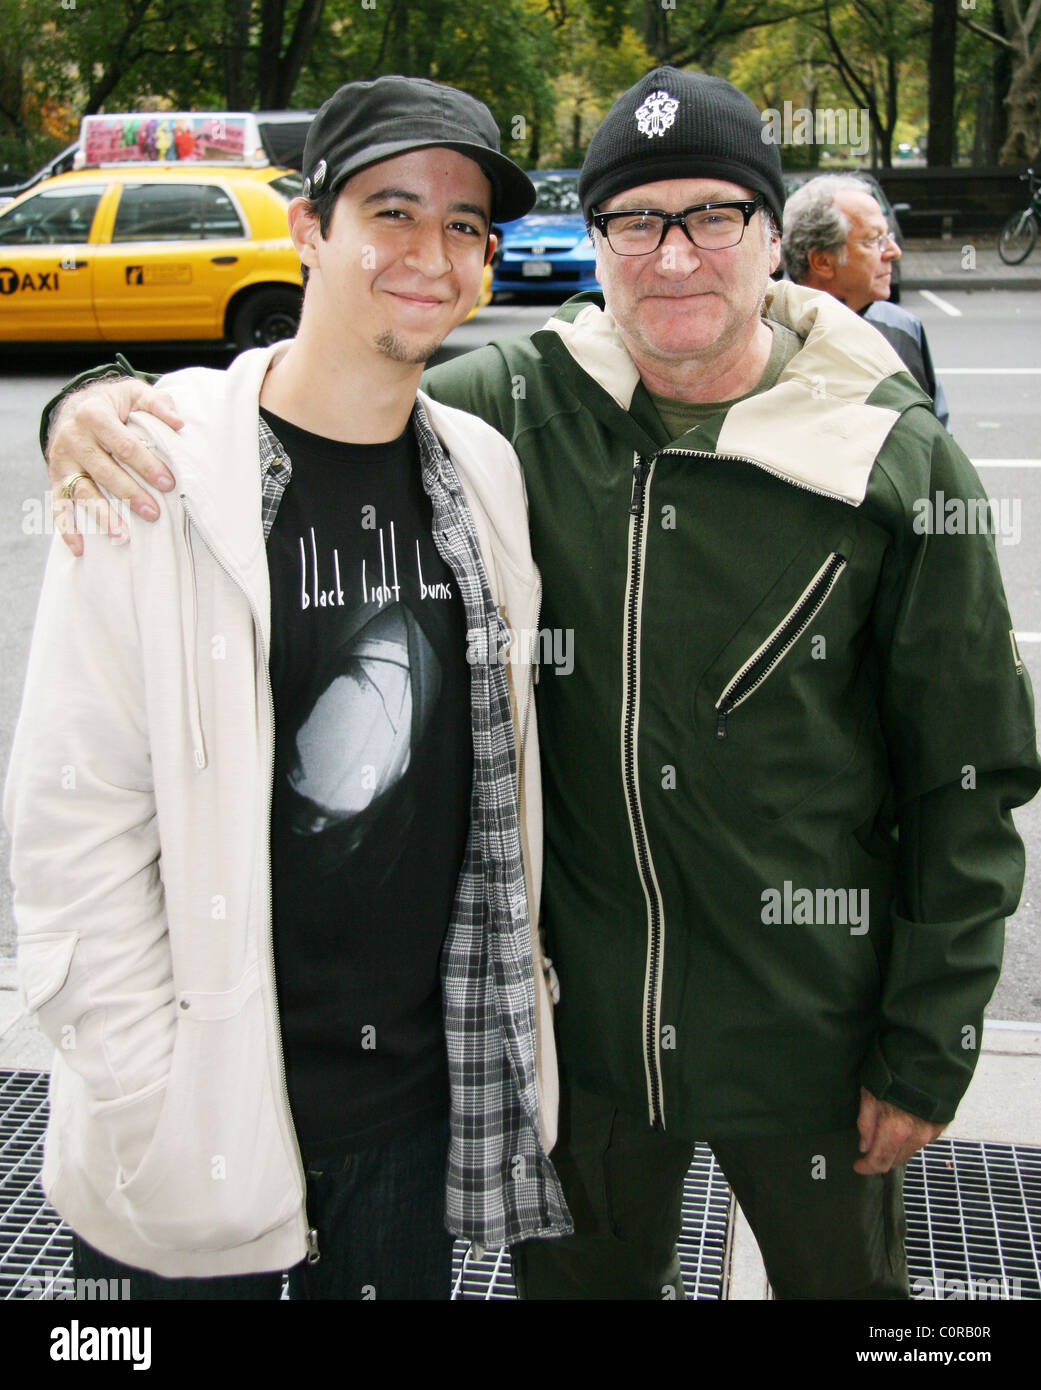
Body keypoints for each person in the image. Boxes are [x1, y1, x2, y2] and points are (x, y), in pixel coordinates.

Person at [35, 67, 1039, 1301]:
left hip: (816, 1046)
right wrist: (95, 405)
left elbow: (968, 780)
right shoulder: (511, 413)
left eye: (714, 215)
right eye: (635, 220)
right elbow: (319, 397)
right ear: (594, 245)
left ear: (776, 239)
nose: (674, 257)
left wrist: (928, 1042)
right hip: (586, 1058)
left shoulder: (894, 458)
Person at [5, 76, 572, 1301]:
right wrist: (149, 1087)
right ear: (310, 230)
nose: (432, 254)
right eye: (393, 211)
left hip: (418, 1112)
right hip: (202, 1108)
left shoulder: (482, 472)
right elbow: (70, 824)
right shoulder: (152, 469)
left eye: (465, 225)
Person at [782, 173, 950, 429]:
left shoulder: (903, 328)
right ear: (823, 262)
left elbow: (936, 434)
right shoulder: (767, 336)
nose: (894, 252)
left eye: (889, 236)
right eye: (874, 240)